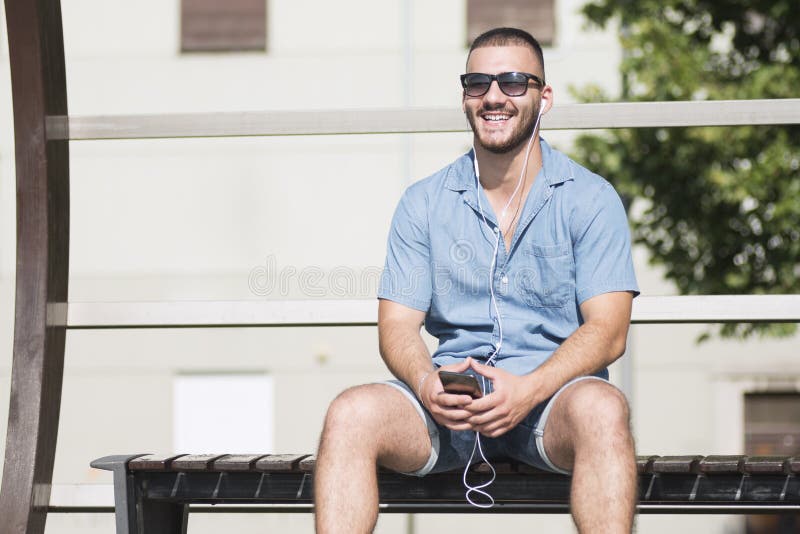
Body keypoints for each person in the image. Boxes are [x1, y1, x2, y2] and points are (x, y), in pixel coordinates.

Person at [314, 27, 639, 533]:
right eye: (477, 82)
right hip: (448, 410)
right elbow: (397, 327)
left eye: (512, 81)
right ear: (464, 96)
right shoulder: (423, 202)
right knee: (350, 413)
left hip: (552, 405)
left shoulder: (591, 199)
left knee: (603, 407)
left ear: (543, 97)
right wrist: (425, 384)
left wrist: (528, 390)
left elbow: (609, 331)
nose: (493, 96)